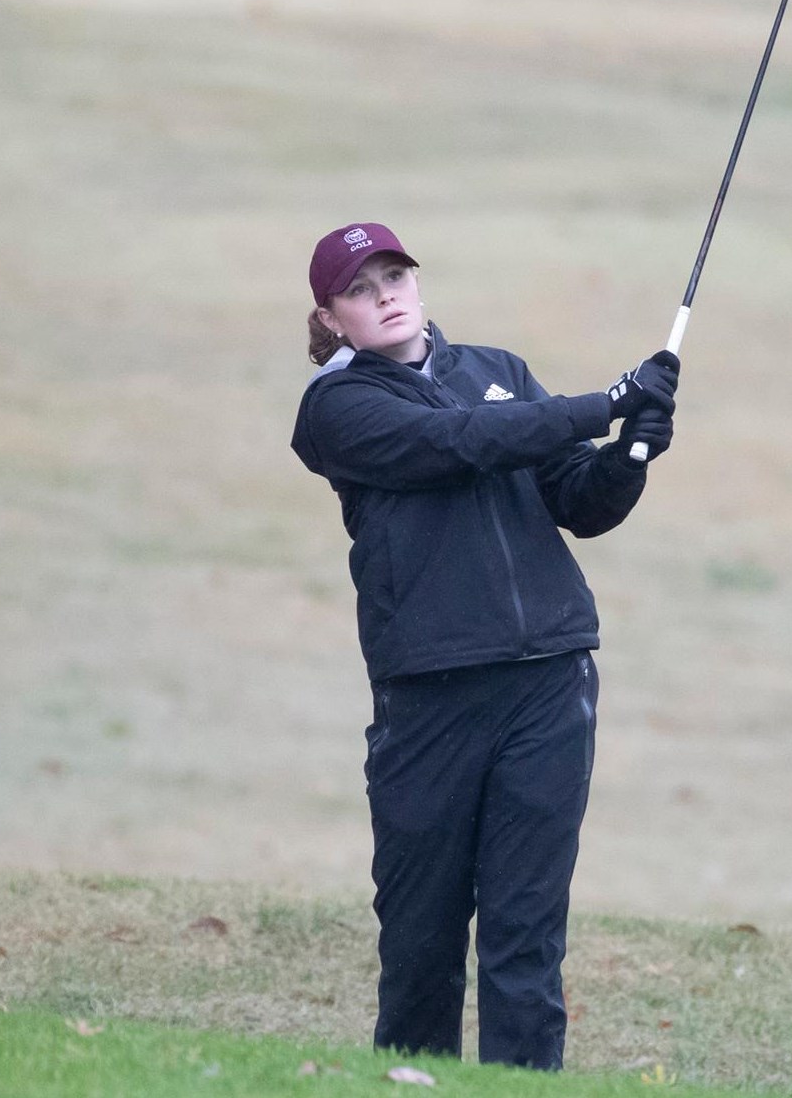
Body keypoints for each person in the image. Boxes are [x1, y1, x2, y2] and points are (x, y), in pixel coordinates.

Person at [289, 222, 678, 1070]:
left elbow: (577, 497)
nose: (386, 294)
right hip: (431, 700)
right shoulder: (338, 408)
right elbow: (457, 446)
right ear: (333, 316)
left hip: (548, 682)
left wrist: (632, 450)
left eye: (396, 276)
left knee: (526, 937)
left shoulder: (497, 372)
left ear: (420, 288)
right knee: (423, 939)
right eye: (362, 288)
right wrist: (605, 399)